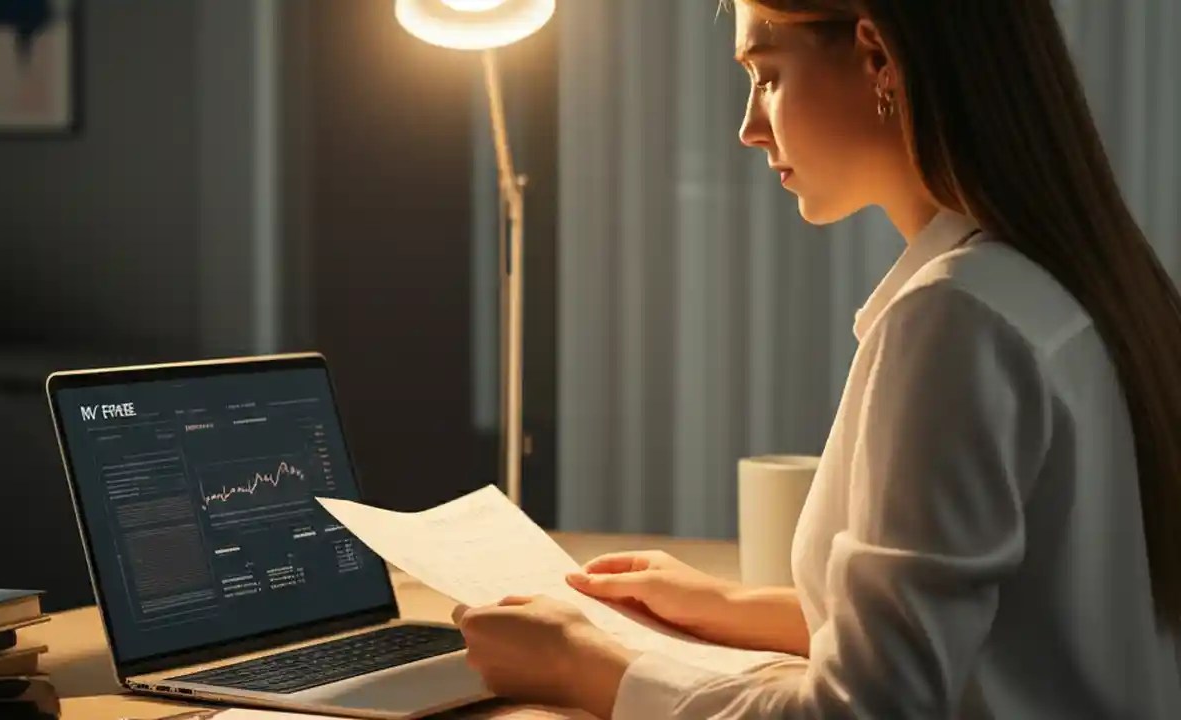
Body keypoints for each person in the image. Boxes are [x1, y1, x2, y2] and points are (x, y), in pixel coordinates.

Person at [451, 0, 1181, 718]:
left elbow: (867, 708)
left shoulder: (960, 318)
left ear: (877, 56)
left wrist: (589, 669)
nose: (748, 128)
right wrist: (732, 606)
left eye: (765, 75)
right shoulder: (1074, 283)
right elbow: (1011, 628)